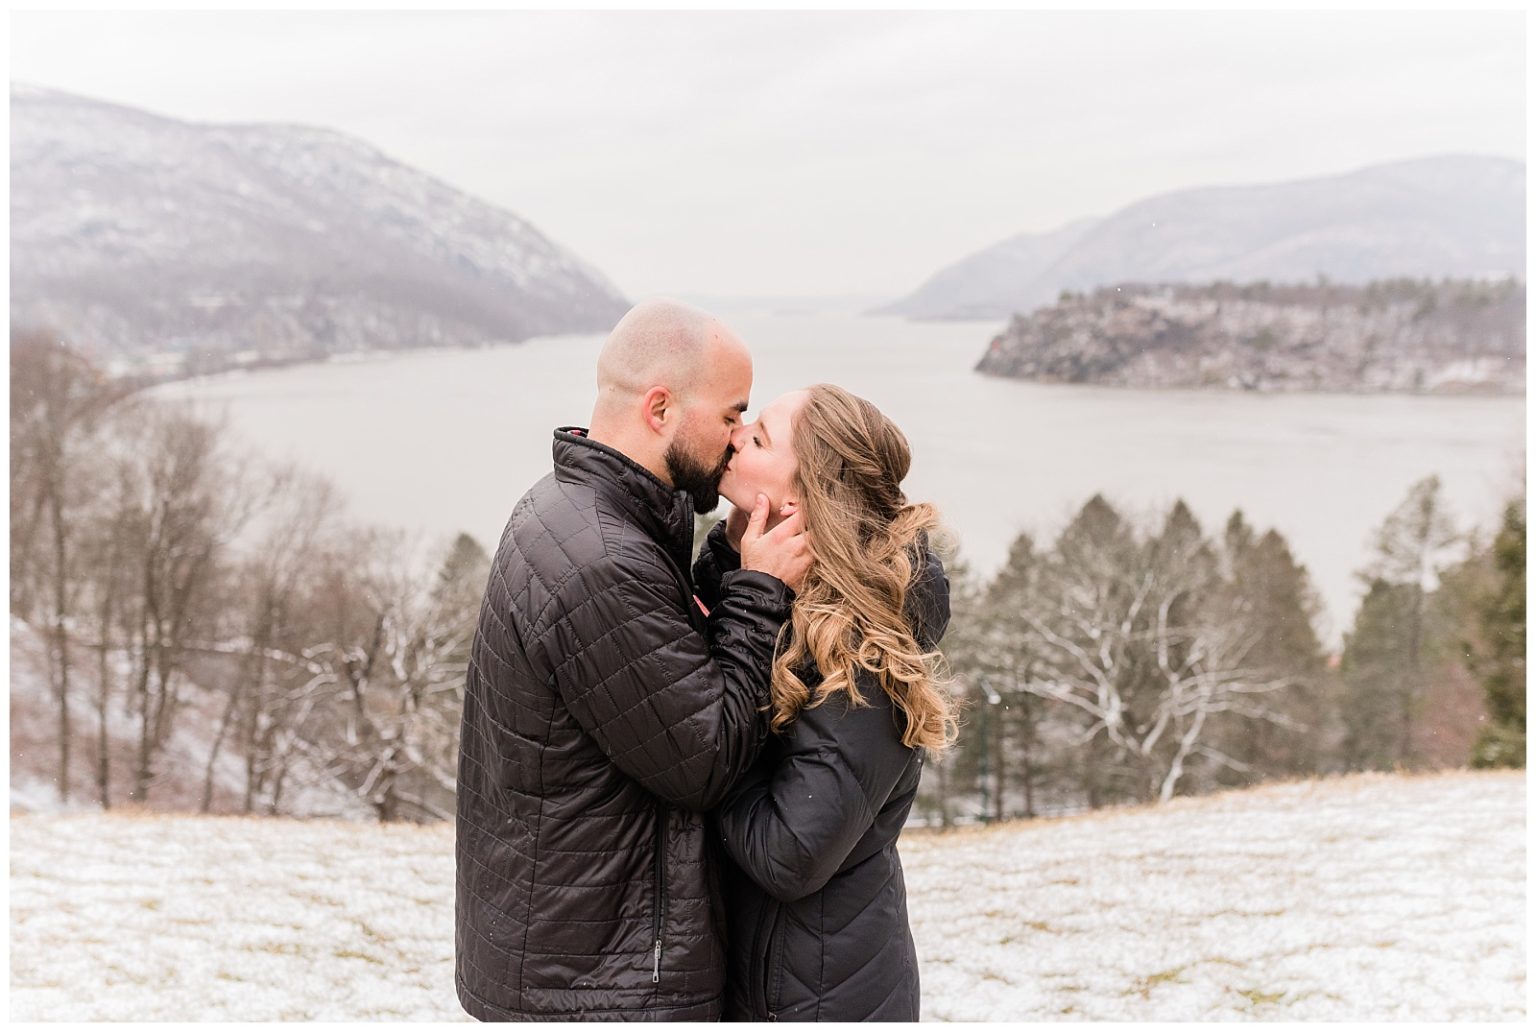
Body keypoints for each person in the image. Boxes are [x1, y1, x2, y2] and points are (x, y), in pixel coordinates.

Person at [454, 298, 812, 1022]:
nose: (740, 438)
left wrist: (723, 558)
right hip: (597, 986)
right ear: (660, 408)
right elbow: (707, 759)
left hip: (568, 957)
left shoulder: (569, 510)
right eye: (731, 415)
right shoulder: (604, 560)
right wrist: (762, 591)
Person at [691, 384, 957, 1022]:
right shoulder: (795, 596)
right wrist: (736, 568)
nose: (736, 433)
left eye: (757, 439)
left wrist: (694, 750)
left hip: (820, 997)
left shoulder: (868, 651)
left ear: (797, 500)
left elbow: (791, 852)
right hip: (778, 976)